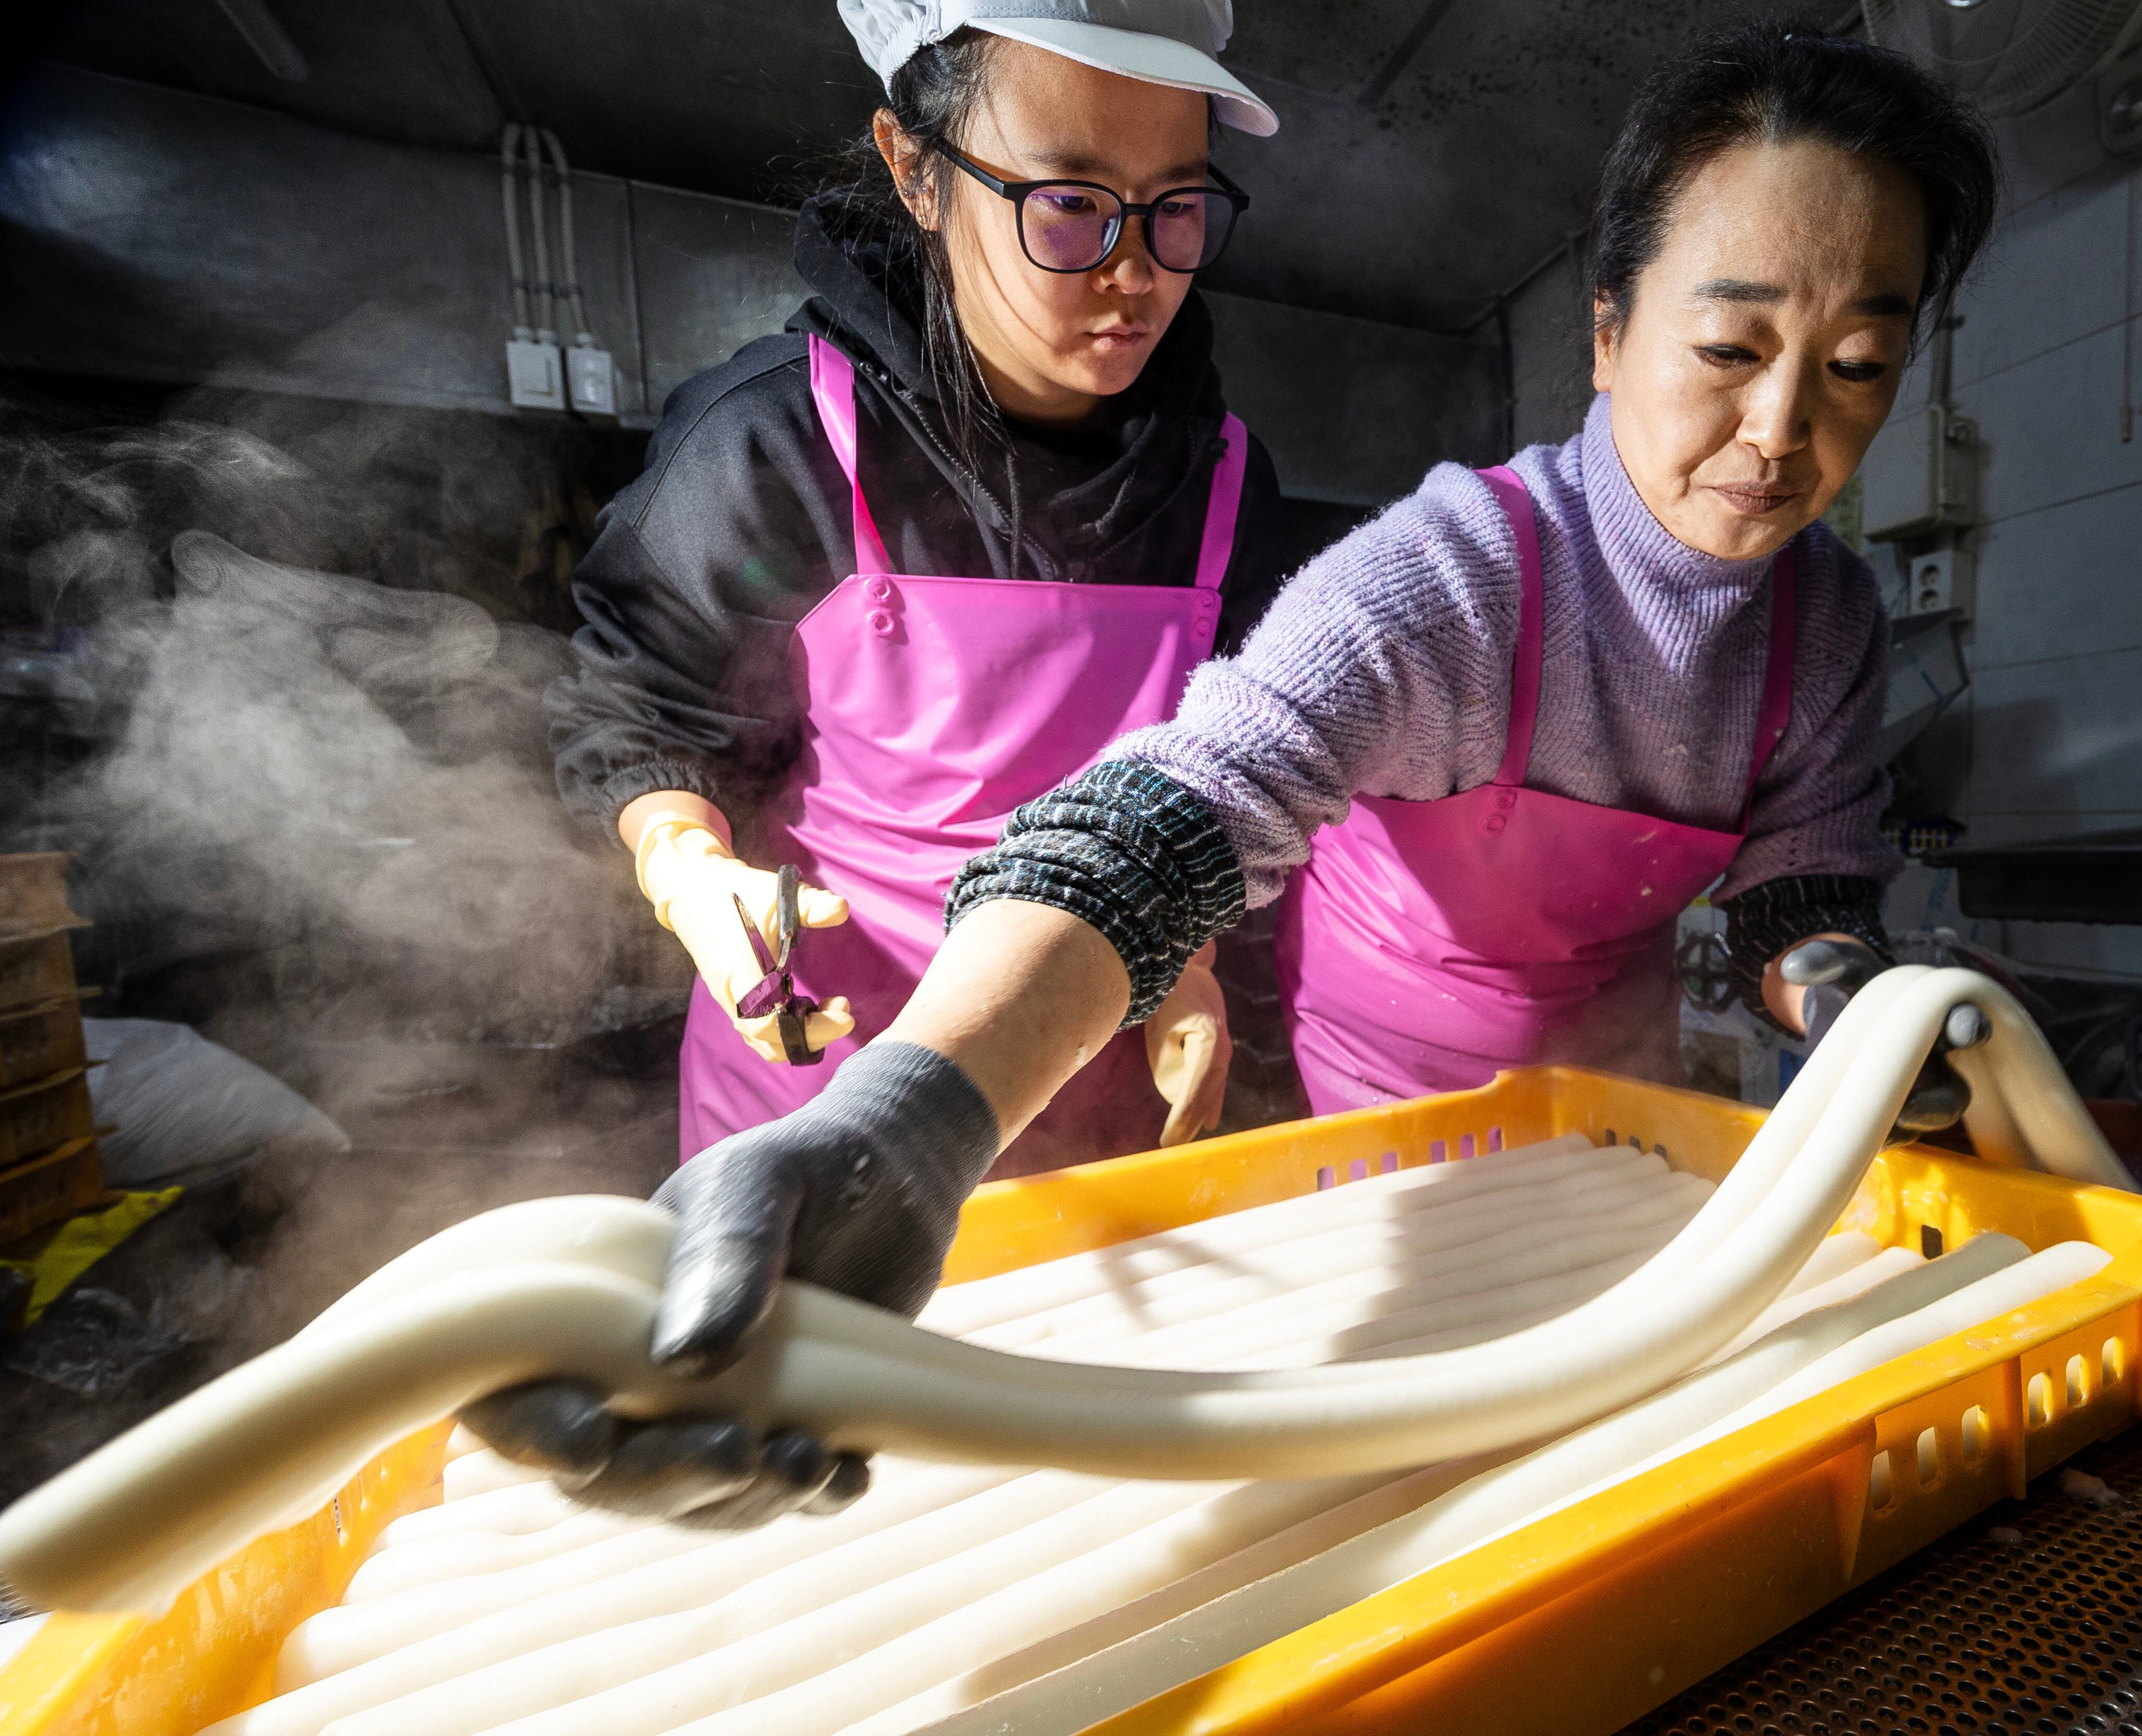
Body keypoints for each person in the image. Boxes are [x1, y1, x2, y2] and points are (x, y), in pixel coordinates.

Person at [475, 22, 2000, 1524]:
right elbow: (1181, 806)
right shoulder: (1457, 580)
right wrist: (911, 1114)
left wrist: (1860, 1004)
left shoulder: (1822, 621)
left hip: (1584, 1134)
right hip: (983, 1065)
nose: (1784, 431)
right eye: (1728, 350)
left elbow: (1802, 880)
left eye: (1861, 366)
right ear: (1607, 332)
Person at [545, 0, 1286, 1210]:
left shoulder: (1224, 476)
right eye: (1070, 202)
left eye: (1179, 205)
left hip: (1105, 1111)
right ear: (916, 171)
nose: (1134, 269)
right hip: (824, 1108)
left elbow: (1227, 763)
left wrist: (1190, 950)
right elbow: (637, 704)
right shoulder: (778, 445)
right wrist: (689, 867)